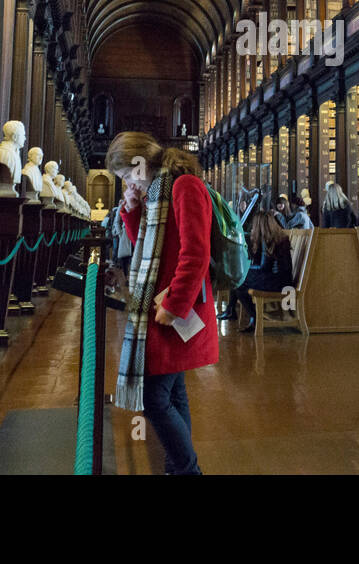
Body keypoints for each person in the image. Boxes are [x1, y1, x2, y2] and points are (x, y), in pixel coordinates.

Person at [108, 131, 216, 476]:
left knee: (154, 399)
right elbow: (147, 244)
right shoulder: (157, 192)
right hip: (158, 308)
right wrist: (132, 210)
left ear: (139, 163)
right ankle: (177, 467)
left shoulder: (184, 186)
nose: (127, 182)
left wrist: (175, 304)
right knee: (173, 394)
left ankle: (187, 470)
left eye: (126, 175)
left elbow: (195, 252)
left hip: (172, 310)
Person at [229, 211, 295, 333]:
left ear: (260, 225)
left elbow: (264, 267)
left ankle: (256, 318)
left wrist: (246, 270)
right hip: (281, 280)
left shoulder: (268, 239)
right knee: (239, 279)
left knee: (239, 282)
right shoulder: (276, 237)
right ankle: (252, 317)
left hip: (278, 283)